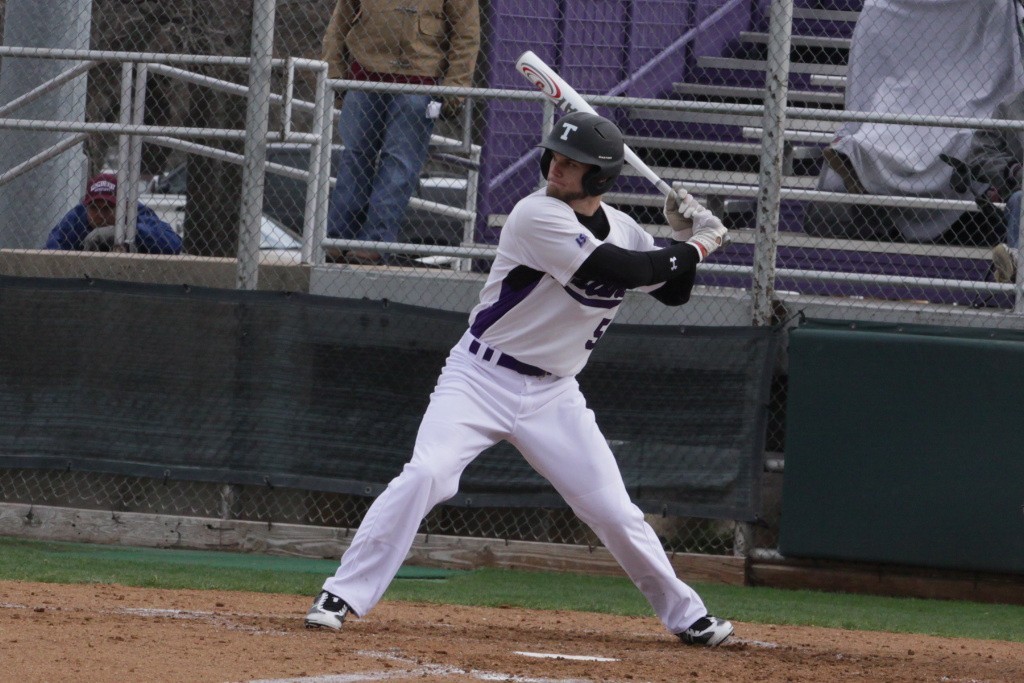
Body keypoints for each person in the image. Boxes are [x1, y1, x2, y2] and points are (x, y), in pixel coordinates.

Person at [304, 112, 735, 647]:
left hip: (554, 393)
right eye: (556, 155)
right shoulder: (535, 215)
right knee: (427, 474)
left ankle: (686, 615)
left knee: (612, 510)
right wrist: (700, 244)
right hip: (480, 376)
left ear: (600, 177)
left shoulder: (623, 228)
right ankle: (341, 593)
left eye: (573, 163)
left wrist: (677, 235)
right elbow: (629, 272)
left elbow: (671, 291)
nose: (557, 166)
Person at [803, 0, 1024, 244]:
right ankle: (862, 159)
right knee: (890, 110)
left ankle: (866, 169)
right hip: (919, 77)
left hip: (967, 71)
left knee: (965, 130)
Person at [322, 0, 481, 265]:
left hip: (418, 82)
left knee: (400, 163)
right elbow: (340, 21)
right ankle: (338, 240)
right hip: (364, 77)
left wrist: (455, 89)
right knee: (354, 157)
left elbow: (466, 34)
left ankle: (375, 242)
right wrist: (335, 72)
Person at [966, 90, 1024, 283]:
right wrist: (1012, 170)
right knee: (1018, 199)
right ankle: (1017, 265)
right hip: (1021, 190)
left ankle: (1016, 261)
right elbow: (981, 154)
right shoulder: (1009, 107)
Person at [46, 173, 183, 254]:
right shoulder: (80, 214)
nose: (100, 213)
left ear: (122, 206)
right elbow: (52, 246)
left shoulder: (136, 212)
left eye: (107, 208)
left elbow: (174, 244)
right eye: (94, 207)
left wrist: (130, 232)